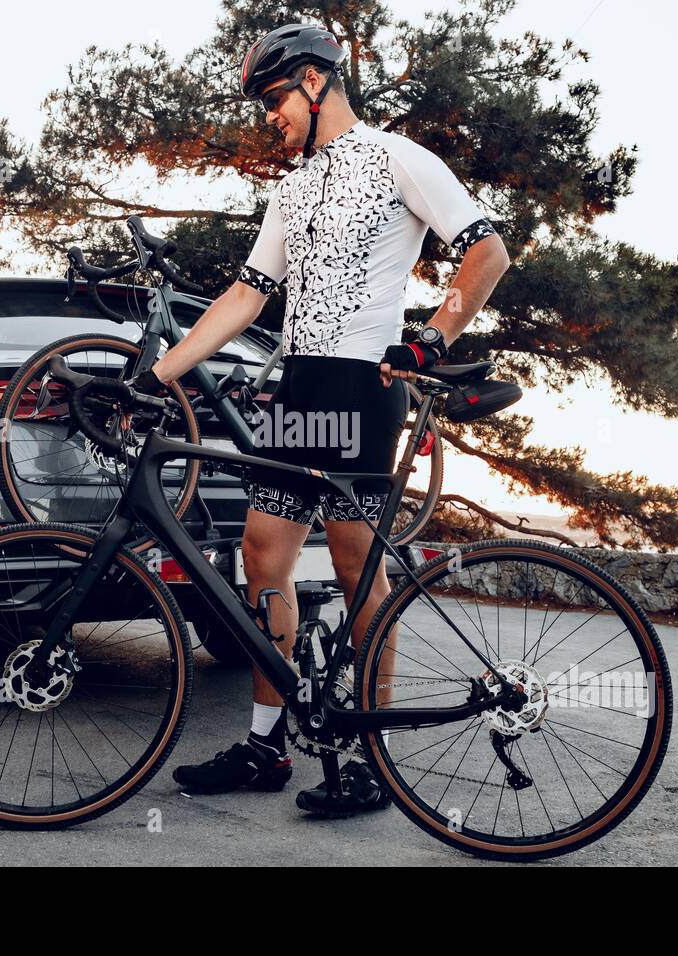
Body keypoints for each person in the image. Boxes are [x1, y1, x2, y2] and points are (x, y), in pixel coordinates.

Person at [133, 23, 510, 816]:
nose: (267, 115)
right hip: (300, 393)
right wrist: (156, 373)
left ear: (313, 80)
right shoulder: (292, 189)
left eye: (273, 98)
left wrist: (433, 336)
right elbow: (245, 297)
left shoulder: (395, 156)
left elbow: (486, 252)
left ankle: (372, 758)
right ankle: (268, 744)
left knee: (354, 569)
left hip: (364, 387)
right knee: (263, 559)